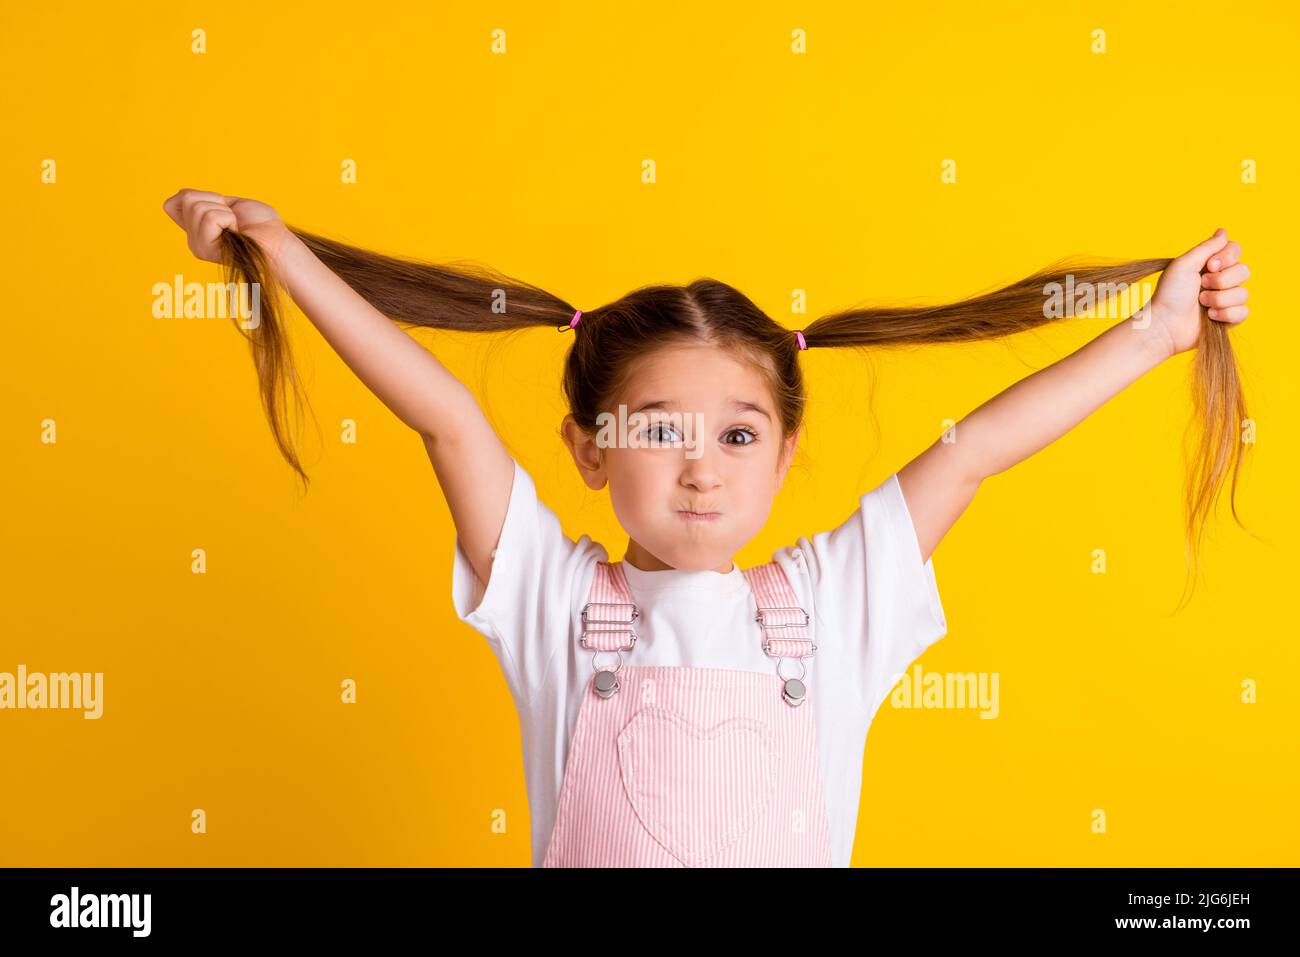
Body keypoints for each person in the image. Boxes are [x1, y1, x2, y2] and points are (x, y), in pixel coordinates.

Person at [162, 190, 1252, 865]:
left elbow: (974, 451)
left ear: (782, 459)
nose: (699, 470)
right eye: (656, 431)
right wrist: (286, 251)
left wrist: (1157, 333)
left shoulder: (831, 604)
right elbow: (445, 416)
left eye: (736, 438)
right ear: (588, 451)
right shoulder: (551, 597)